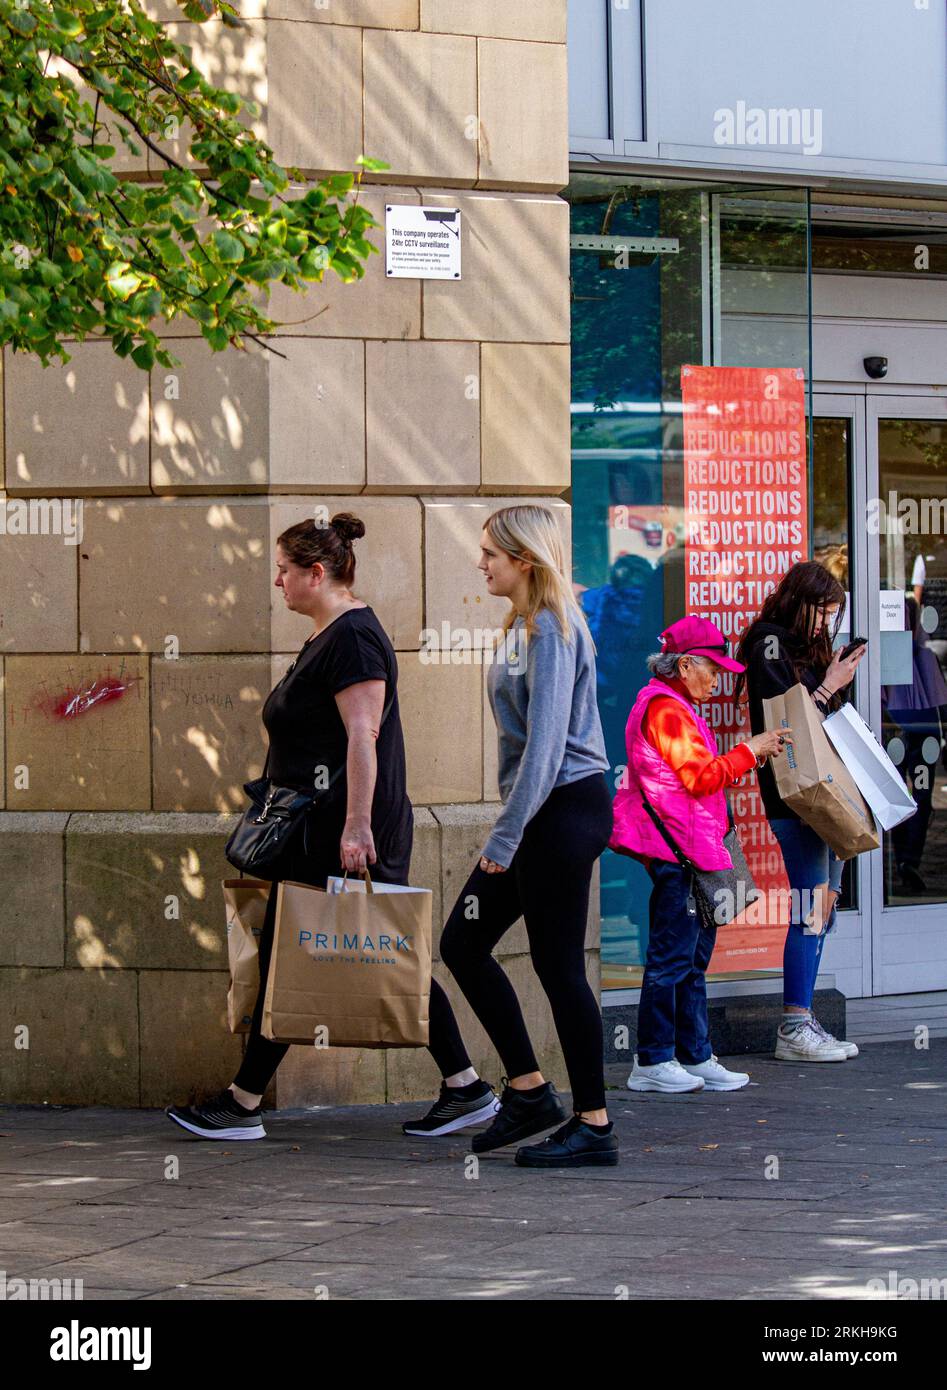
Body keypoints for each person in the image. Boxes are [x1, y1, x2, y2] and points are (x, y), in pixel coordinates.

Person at [166, 512, 500, 1140]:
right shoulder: (330, 633)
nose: (277, 581)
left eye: (285, 570)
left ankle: (241, 1105)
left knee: (363, 950)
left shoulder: (352, 639)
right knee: (328, 953)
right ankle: (465, 1086)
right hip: (315, 827)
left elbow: (363, 736)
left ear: (317, 573)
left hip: (343, 830)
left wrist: (355, 827)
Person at [411, 504, 618, 1168]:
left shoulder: (553, 630)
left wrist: (503, 840)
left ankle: (594, 1125)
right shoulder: (526, 626)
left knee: (558, 968)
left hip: (561, 809)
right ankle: (529, 1091)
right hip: (542, 811)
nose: (481, 565)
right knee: (462, 943)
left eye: (490, 556)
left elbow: (547, 751)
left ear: (523, 560)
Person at [611, 617, 788, 1093]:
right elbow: (700, 778)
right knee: (673, 957)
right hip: (681, 850)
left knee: (691, 958)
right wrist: (749, 752)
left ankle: (695, 1055)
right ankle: (652, 1060)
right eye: (712, 669)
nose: (718, 679)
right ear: (685, 664)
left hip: (691, 848)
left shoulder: (677, 705)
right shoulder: (667, 710)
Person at [736, 561, 866, 1063]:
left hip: (832, 787)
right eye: (823, 611)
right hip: (797, 794)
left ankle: (804, 1018)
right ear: (801, 601)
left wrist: (837, 674)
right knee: (809, 907)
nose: (826, 622)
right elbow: (786, 724)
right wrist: (829, 682)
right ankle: (792, 1025)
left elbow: (831, 719)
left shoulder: (810, 647)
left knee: (825, 905)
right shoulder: (767, 642)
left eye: (835, 614)